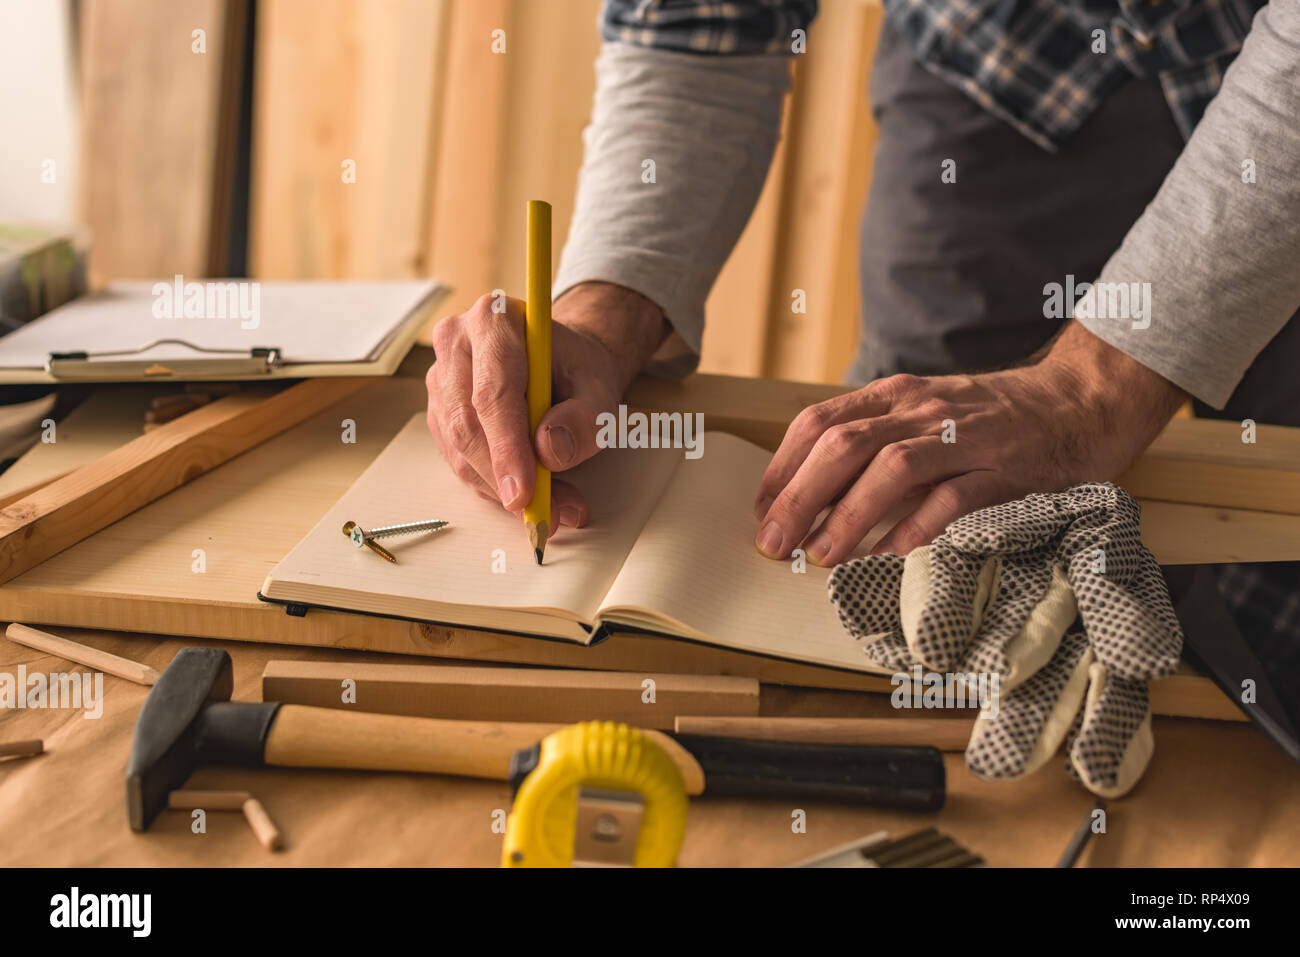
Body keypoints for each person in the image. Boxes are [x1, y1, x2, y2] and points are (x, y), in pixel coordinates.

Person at [425, 0, 1300, 569]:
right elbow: (701, 20)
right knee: (902, 524)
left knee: (1276, 576)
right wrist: (605, 308)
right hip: (1007, 54)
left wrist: (1087, 393)